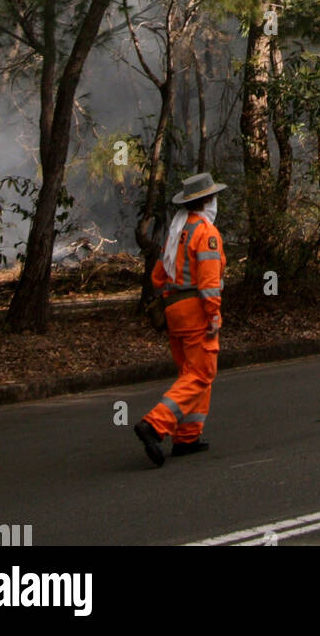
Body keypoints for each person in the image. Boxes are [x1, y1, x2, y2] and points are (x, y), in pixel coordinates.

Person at [134, 172, 227, 467]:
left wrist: (171, 301)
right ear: (208, 200)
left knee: (191, 375)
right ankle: (154, 424)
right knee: (200, 374)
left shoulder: (177, 232)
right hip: (196, 311)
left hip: (174, 311)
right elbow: (210, 283)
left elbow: (158, 277)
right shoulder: (206, 233)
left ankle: (187, 437)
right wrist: (212, 315)